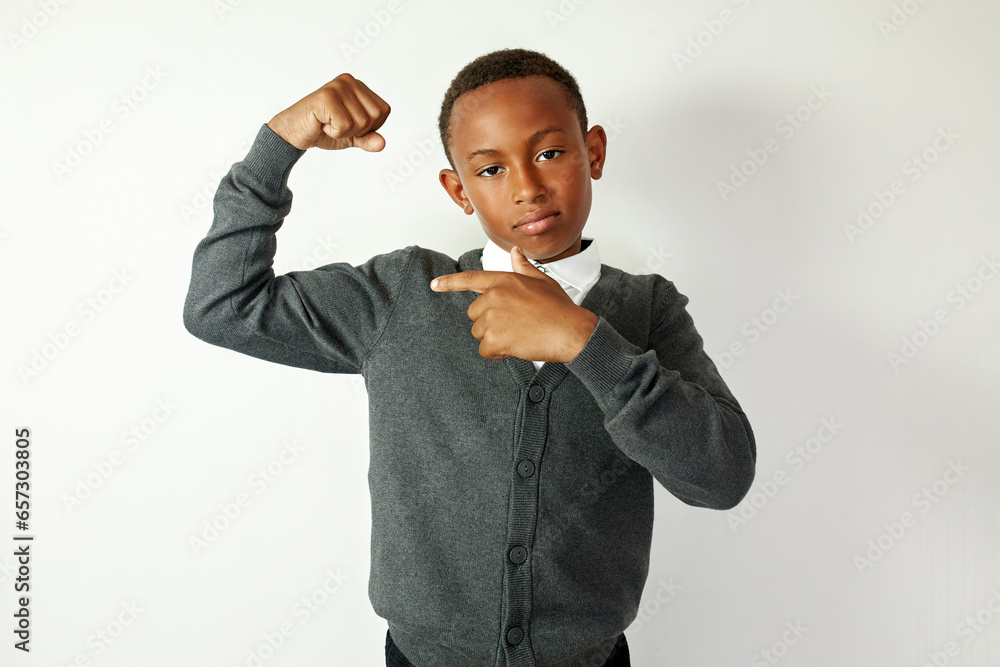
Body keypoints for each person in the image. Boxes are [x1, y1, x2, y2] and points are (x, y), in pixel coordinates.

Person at [184, 47, 756, 667]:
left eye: (550, 153)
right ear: (457, 190)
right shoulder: (402, 297)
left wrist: (582, 341)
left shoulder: (647, 310)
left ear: (593, 151)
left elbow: (722, 477)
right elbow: (221, 305)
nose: (528, 188)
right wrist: (277, 146)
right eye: (490, 171)